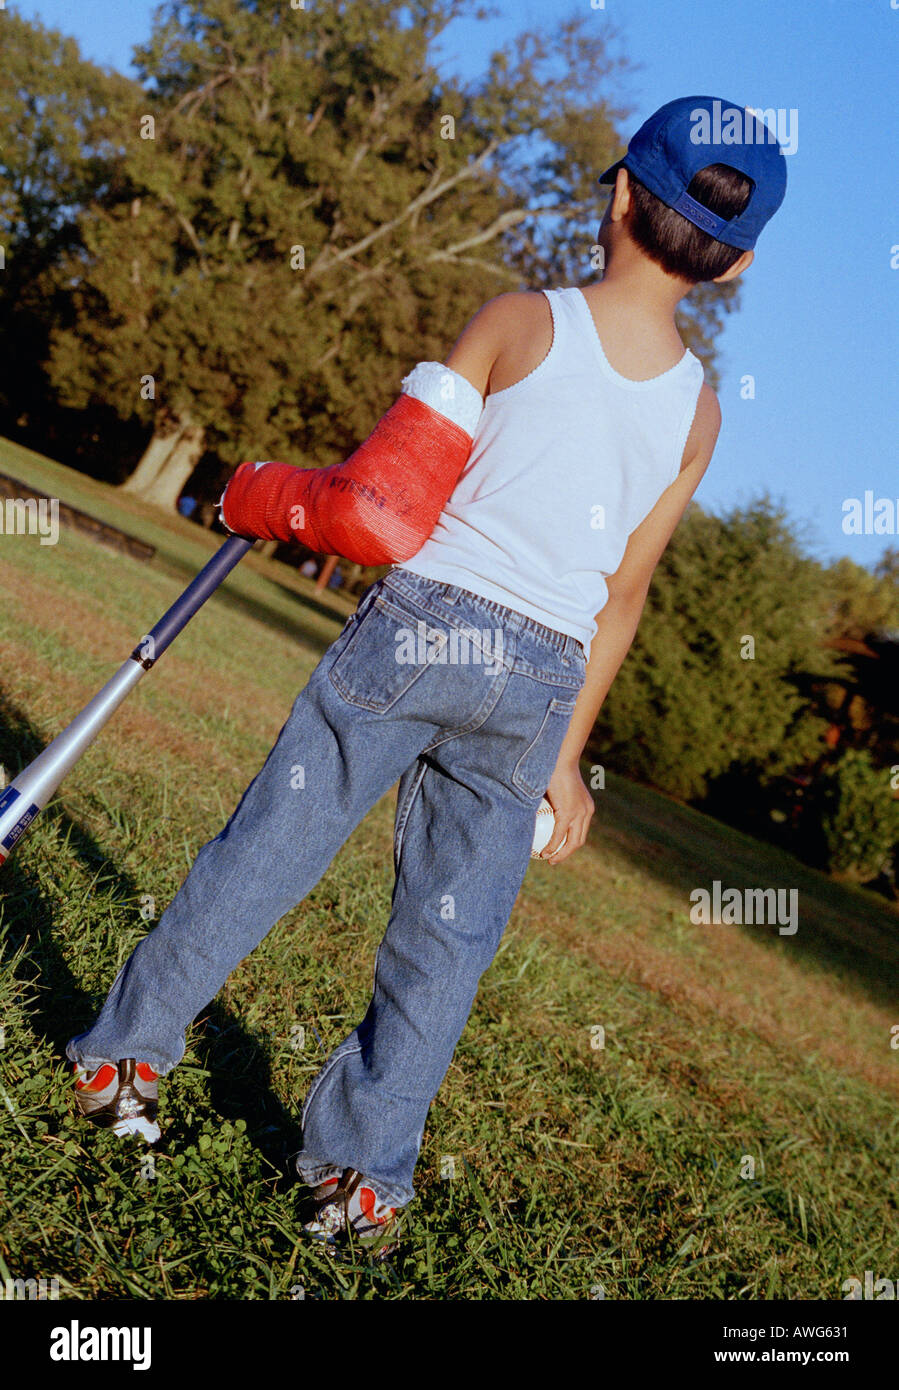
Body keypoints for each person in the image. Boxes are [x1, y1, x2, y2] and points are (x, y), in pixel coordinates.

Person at [67, 97, 787, 1260]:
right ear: (736, 261)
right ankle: (360, 1181)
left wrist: (267, 491)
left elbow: (380, 501)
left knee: (270, 850)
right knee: (445, 942)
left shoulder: (518, 319)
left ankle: (126, 1052)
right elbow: (624, 595)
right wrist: (566, 755)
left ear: (613, 193)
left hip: (425, 629)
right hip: (540, 680)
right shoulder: (698, 415)